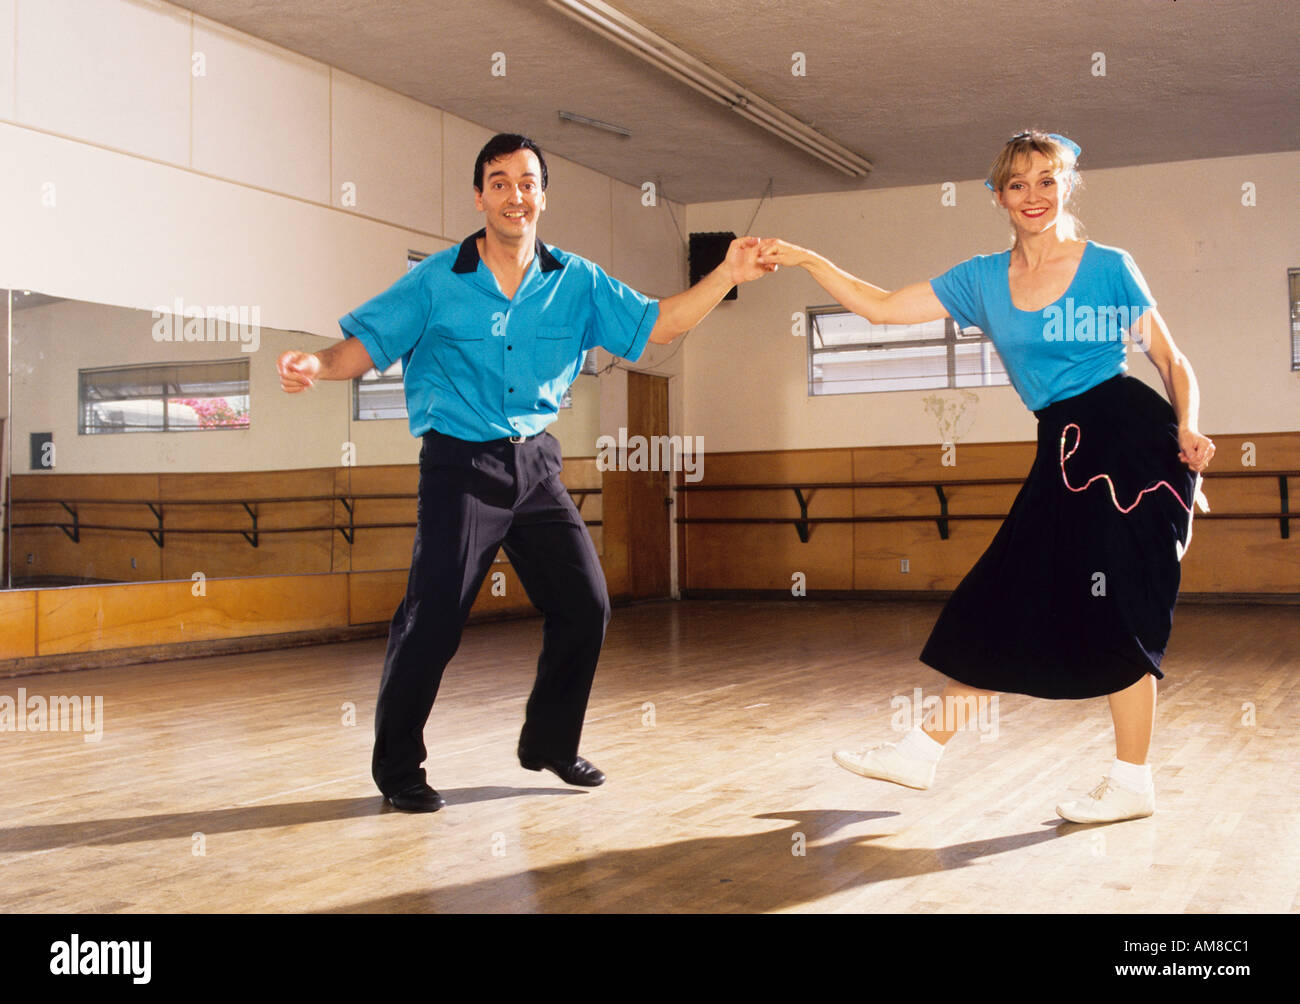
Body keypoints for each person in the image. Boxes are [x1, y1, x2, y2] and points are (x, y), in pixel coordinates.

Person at [278, 134, 772, 812]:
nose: (516, 194)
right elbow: (365, 347)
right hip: (459, 463)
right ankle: (398, 768)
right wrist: (317, 365)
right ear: (480, 195)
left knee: (586, 604)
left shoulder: (578, 281)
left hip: (536, 463)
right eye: (500, 181)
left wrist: (726, 276)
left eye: (528, 181)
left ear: (544, 195)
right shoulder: (436, 281)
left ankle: (549, 742)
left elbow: (659, 325)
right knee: (433, 621)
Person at [757, 130, 1215, 824]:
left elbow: (1172, 360)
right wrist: (809, 260)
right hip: (1060, 443)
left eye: (1046, 180)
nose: (1033, 196)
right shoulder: (980, 280)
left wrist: (1187, 426)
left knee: (1115, 606)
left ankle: (1125, 780)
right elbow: (880, 307)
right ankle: (926, 750)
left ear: (1066, 187)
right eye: (1017, 183)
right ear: (998, 195)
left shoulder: (1109, 268)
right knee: (1014, 590)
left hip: (1127, 444)